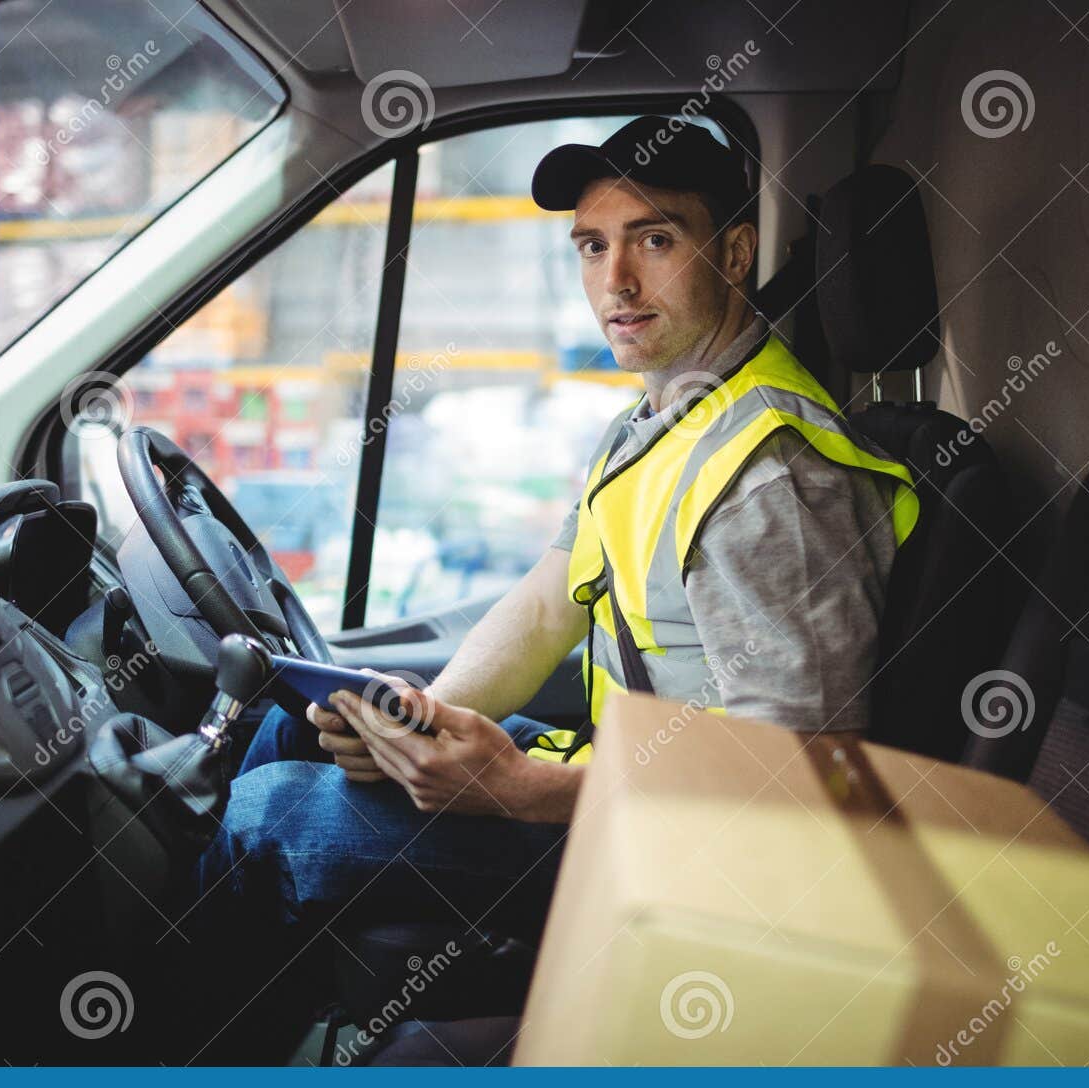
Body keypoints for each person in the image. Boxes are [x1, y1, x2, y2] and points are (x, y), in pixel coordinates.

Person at [200, 117, 915, 939]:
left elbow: (806, 783)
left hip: (696, 867)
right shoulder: (661, 420)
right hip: (624, 778)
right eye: (590, 246)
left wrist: (518, 788)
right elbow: (546, 608)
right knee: (294, 733)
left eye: (653, 241)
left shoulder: (772, 477)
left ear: (736, 253)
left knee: (268, 816)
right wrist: (418, 721)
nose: (616, 281)